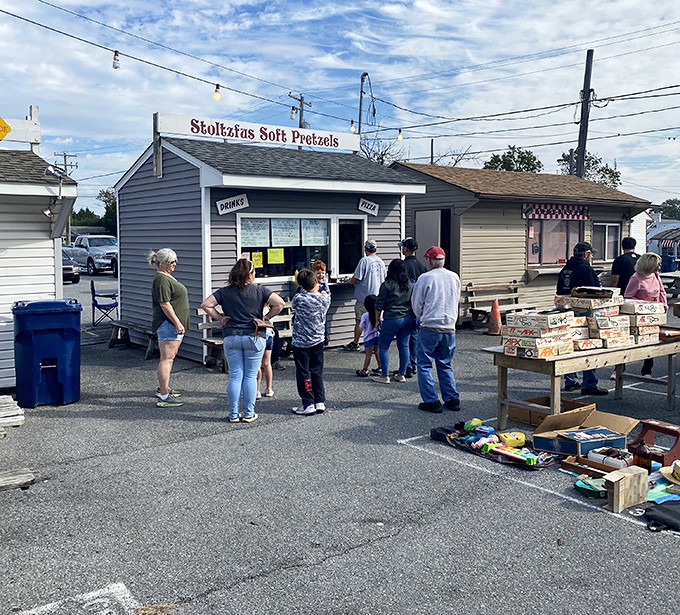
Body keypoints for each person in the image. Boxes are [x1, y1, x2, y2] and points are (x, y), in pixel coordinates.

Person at [201, 259, 285, 423]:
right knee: (250, 376)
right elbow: (280, 303)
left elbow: (206, 304)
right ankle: (248, 413)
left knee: (235, 376)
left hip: (231, 336)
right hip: (254, 337)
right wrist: (266, 318)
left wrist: (220, 317)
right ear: (251, 274)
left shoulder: (225, 291)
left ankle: (233, 414)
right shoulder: (260, 291)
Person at [411, 246, 461, 413]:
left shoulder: (425, 278)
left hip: (430, 326)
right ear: (443, 260)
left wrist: (421, 317)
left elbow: (416, 304)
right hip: (449, 326)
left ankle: (431, 400)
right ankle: (452, 398)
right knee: (445, 363)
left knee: (424, 364)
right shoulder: (454, 277)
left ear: (430, 261)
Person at [557, 241, 608, 396]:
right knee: (589, 346)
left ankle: (570, 381)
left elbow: (559, 291)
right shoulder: (585, 269)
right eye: (591, 254)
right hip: (585, 312)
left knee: (570, 345)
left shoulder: (566, 269)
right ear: (586, 254)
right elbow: (594, 292)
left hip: (567, 311)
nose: (591, 257)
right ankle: (589, 383)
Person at [150, 248, 190, 408]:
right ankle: (164, 396)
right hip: (168, 325)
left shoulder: (166, 277)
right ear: (162, 263)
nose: (175, 264)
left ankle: (164, 388)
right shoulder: (161, 280)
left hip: (171, 325)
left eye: (175, 261)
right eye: (171, 262)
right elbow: (164, 304)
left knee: (169, 358)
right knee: (166, 359)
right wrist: (177, 323)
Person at [291, 269, 331, 415]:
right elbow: (326, 291)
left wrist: (302, 286)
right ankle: (320, 401)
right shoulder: (325, 299)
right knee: (317, 370)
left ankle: (308, 403)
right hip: (318, 340)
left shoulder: (299, 299)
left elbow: (295, 300)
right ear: (316, 281)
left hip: (301, 342)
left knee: (303, 371)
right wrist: (323, 284)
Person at [624, 252, 667, 376]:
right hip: (639, 314)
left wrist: (664, 305)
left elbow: (661, 291)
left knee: (652, 341)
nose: (659, 267)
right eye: (658, 264)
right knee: (631, 342)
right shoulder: (636, 278)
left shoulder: (656, 276)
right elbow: (628, 296)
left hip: (653, 314)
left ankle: (647, 369)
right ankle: (619, 369)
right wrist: (643, 304)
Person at [372, 259, 414, 384]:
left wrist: (377, 320)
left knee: (383, 346)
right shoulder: (409, 283)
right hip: (408, 317)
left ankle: (385, 375)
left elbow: (379, 304)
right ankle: (401, 373)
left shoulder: (387, 285)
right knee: (404, 345)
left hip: (392, 317)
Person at [343, 239, 386, 351]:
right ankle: (376, 345)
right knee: (376, 321)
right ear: (375, 249)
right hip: (377, 298)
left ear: (365, 249)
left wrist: (349, 281)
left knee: (359, 321)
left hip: (364, 298)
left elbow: (356, 278)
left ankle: (356, 343)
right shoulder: (380, 262)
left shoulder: (364, 261)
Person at [398, 237, 427, 377]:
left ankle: (407, 367)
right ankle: (413, 363)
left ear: (406, 249)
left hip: (405, 306)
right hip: (419, 306)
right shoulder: (422, 266)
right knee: (415, 336)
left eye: (403, 247)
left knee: (404, 338)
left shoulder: (403, 266)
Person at [355, 294, 381, 377]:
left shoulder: (365, 315)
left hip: (368, 337)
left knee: (368, 355)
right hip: (377, 335)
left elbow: (361, 326)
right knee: (377, 352)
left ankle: (365, 370)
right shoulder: (379, 315)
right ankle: (380, 368)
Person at [312, 260, 331, 345]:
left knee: (323, 326)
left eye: (323, 273)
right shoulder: (311, 284)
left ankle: (324, 340)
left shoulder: (324, 284)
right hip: (313, 312)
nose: (321, 275)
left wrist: (325, 295)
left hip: (322, 312)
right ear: (313, 273)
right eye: (318, 273)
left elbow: (329, 297)